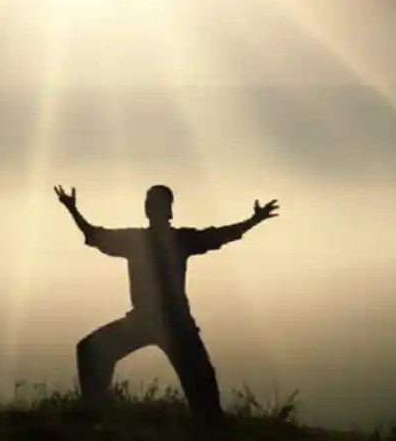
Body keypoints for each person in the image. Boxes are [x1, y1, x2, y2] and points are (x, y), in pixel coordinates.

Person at [53, 183, 279, 427]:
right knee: (90, 350)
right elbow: (95, 235)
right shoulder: (153, 240)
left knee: (206, 402)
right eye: (149, 203)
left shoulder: (161, 240)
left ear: (167, 210)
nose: (151, 208)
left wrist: (254, 220)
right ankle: (93, 411)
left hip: (172, 325)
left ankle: (94, 412)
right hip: (155, 322)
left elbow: (220, 235)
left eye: (154, 204)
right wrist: (72, 209)